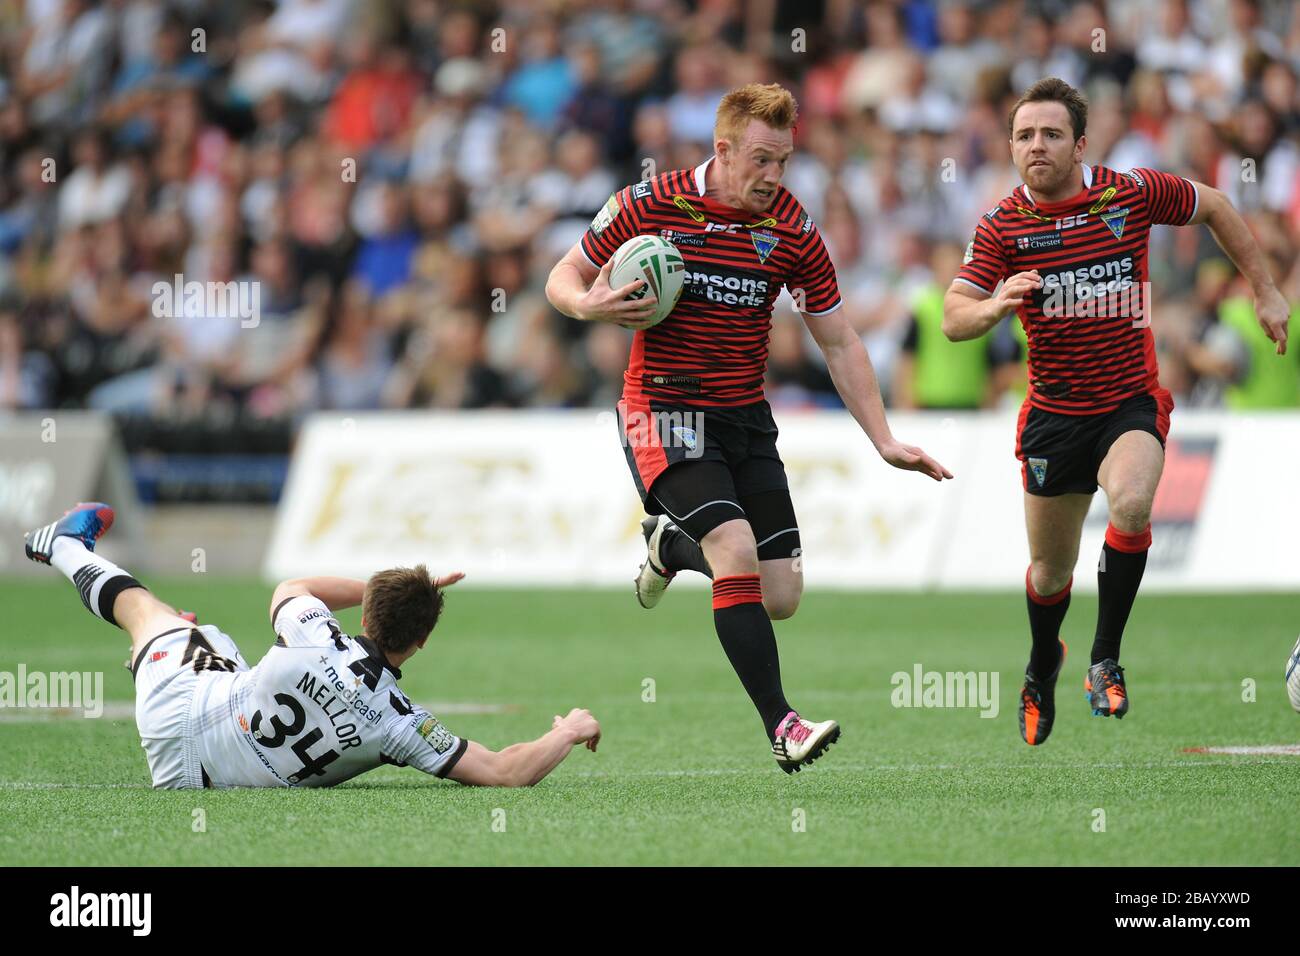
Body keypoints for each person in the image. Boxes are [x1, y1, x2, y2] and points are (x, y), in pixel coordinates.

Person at [545, 83, 951, 773]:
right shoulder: (650, 203)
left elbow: (842, 340)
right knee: (733, 546)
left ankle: (672, 549)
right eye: (761, 159)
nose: (773, 175)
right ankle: (783, 726)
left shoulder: (792, 228)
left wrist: (884, 439)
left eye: (784, 161)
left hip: (745, 419)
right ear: (723, 148)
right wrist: (587, 305)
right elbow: (565, 272)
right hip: (663, 410)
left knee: (781, 595)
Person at [944, 77, 1290, 745]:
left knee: (1131, 503)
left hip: (1129, 400)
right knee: (1051, 572)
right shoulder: (1001, 225)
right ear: (1010, 147)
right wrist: (996, 305)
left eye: (1049, 134)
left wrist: (1266, 290)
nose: (1035, 146)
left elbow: (1215, 203)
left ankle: (1105, 658)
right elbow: (957, 315)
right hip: (1052, 414)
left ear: (1079, 144)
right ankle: (1044, 663)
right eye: (1023, 135)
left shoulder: (1126, 194)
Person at [24, 502, 601, 789]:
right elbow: (504, 772)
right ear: (422, 642)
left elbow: (291, 587)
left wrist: (376, 584)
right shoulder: (401, 725)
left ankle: (66, 547)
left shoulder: (311, 627)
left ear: (367, 609)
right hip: (186, 780)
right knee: (206, 640)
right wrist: (567, 730)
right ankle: (182, 638)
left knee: (145, 612)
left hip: (178, 708)